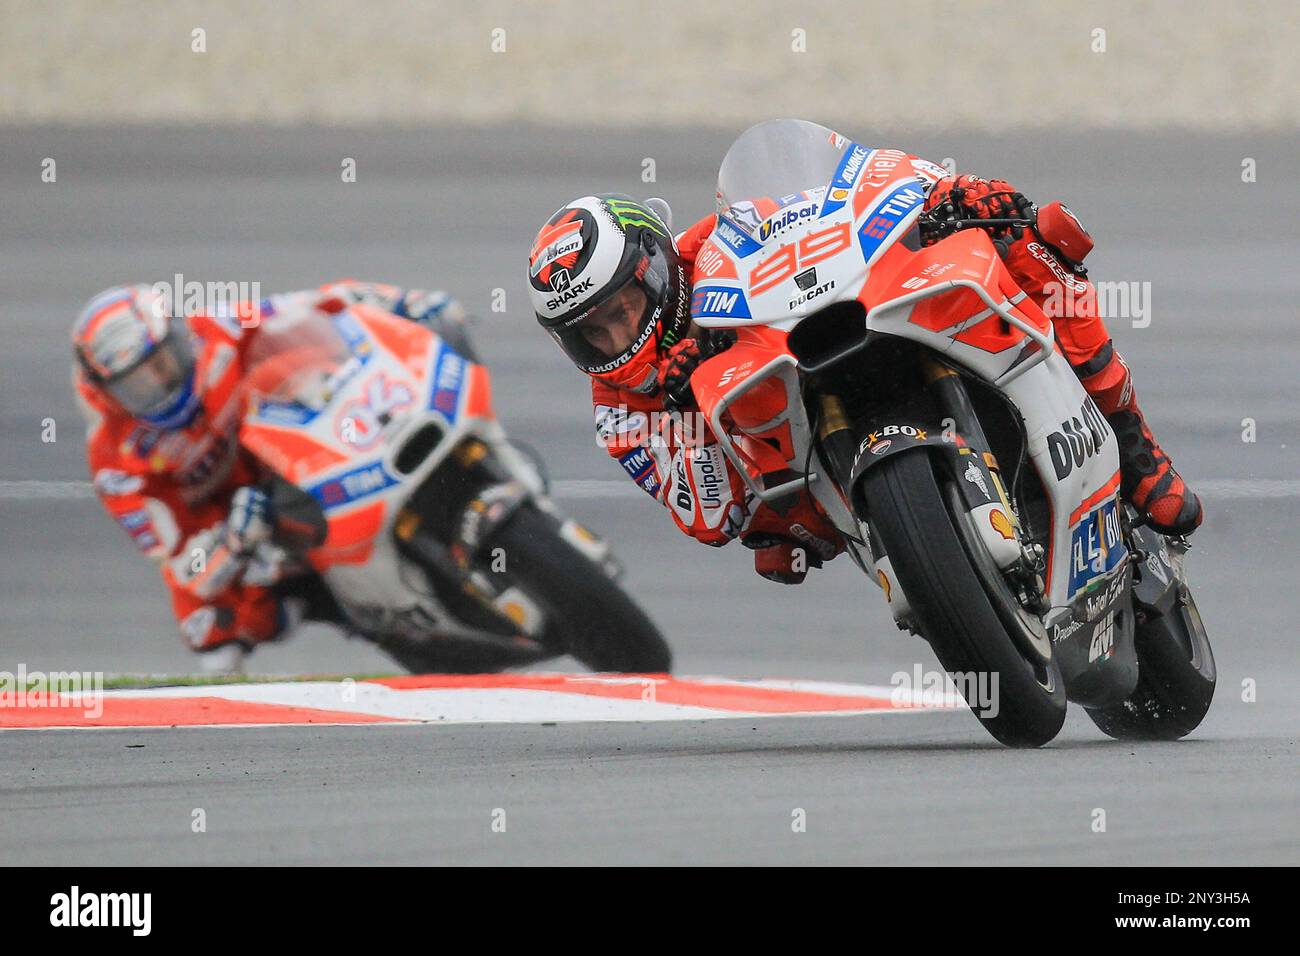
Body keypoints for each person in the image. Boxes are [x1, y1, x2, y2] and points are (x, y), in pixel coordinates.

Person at [526, 159, 1201, 585]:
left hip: (824, 337)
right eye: (591, 332)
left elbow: (846, 192)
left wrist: (953, 196)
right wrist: (688, 402)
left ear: (653, 264)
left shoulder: (716, 240)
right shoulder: (620, 409)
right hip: (791, 469)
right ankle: (928, 568)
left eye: (621, 309)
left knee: (1038, 241)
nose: (615, 336)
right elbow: (713, 517)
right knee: (772, 541)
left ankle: (1135, 449)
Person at [72, 280, 466, 671]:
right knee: (206, 631)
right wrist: (233, 540)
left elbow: (314, 303)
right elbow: (182, 566)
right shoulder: (115, 466)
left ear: (179, 336)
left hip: (289, 450)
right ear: (107, 395)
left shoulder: (219, 329)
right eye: (138, 386)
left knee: (301, 359)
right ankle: (318, 606)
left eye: (163, 364)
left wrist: (402, 302)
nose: (162, 386)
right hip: (227, 519)